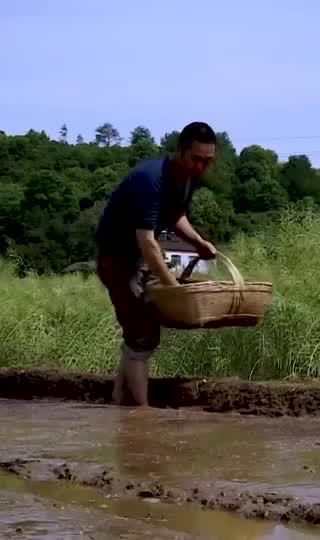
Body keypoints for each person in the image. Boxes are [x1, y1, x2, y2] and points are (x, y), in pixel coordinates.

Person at [95, 121, 219, 407]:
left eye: (207, 161)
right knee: (143, 334)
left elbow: (175, 215)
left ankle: (120, 395)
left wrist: (198, 242)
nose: (201, 167)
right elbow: (148, 241)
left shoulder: (186, 179)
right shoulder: (152, 180)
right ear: (180, 152)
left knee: (140, 329)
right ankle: (142, 412)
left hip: (137, 259)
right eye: (196, 159)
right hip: (116, 260)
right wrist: (172, 285)